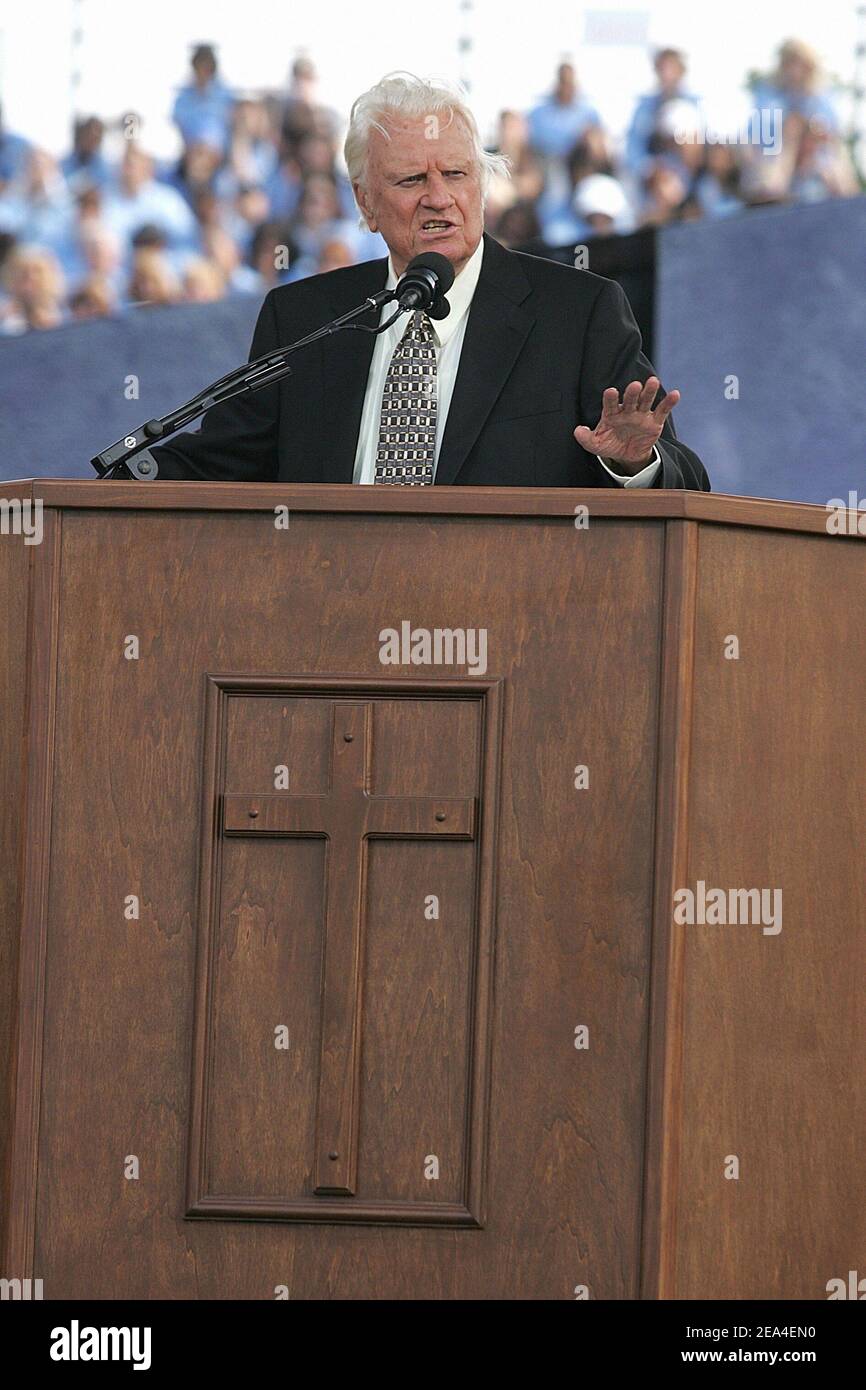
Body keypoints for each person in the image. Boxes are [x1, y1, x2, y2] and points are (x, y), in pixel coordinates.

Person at [148, 73, 709, 491]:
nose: (439, 198)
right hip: (326, 620)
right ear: (366, 204)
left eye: (457, 174)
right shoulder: (305, 319)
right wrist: (133, 479)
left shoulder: (579, 313)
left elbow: (688, 482)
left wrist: (634, 462)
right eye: (412, 179)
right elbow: (216, 466)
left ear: (483, 187)